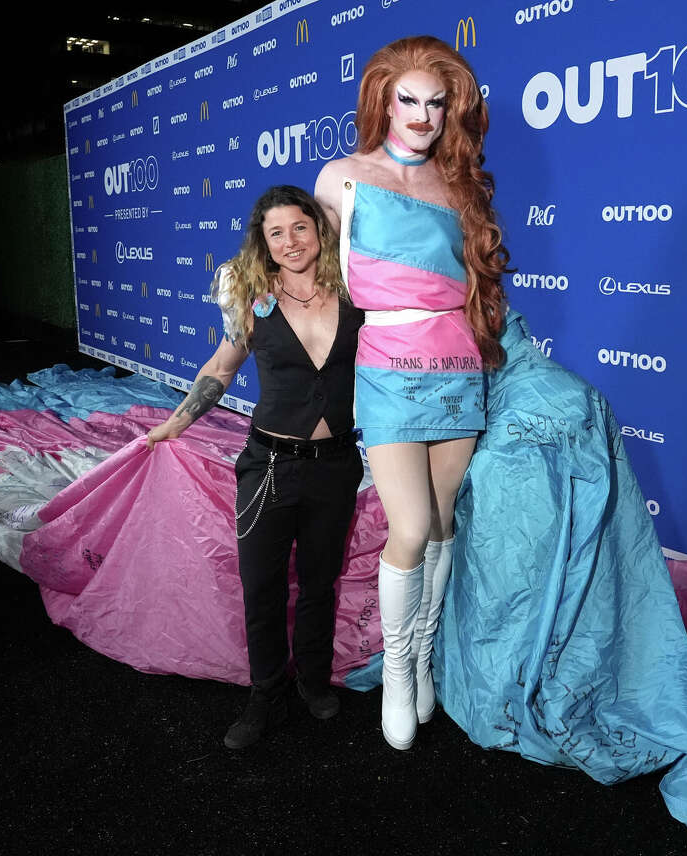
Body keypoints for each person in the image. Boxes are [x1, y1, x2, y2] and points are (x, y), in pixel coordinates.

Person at [313, 35, 508, 751]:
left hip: (457, 361)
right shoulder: (343, 177)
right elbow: (315, 280)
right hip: (387, 364)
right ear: (381, 101)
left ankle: (423, 657)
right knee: (412, 527)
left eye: (436, 103)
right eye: (409, 101)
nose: (422, 116)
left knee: (446, 520)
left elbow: (478, 285)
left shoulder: (460, 184)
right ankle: (398, 673)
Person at [147, 185, 364, 749]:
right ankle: (264, 692)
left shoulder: (356, 292)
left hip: (336, 467)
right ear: (262, 242)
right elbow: (222, 366)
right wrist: (177, 422)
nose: (291, 241)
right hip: (267, 467)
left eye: (300, 227)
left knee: (320, 584)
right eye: (276, 233)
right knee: (262, 586)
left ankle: (312, 682)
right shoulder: (252, 298)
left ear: (319, 230)